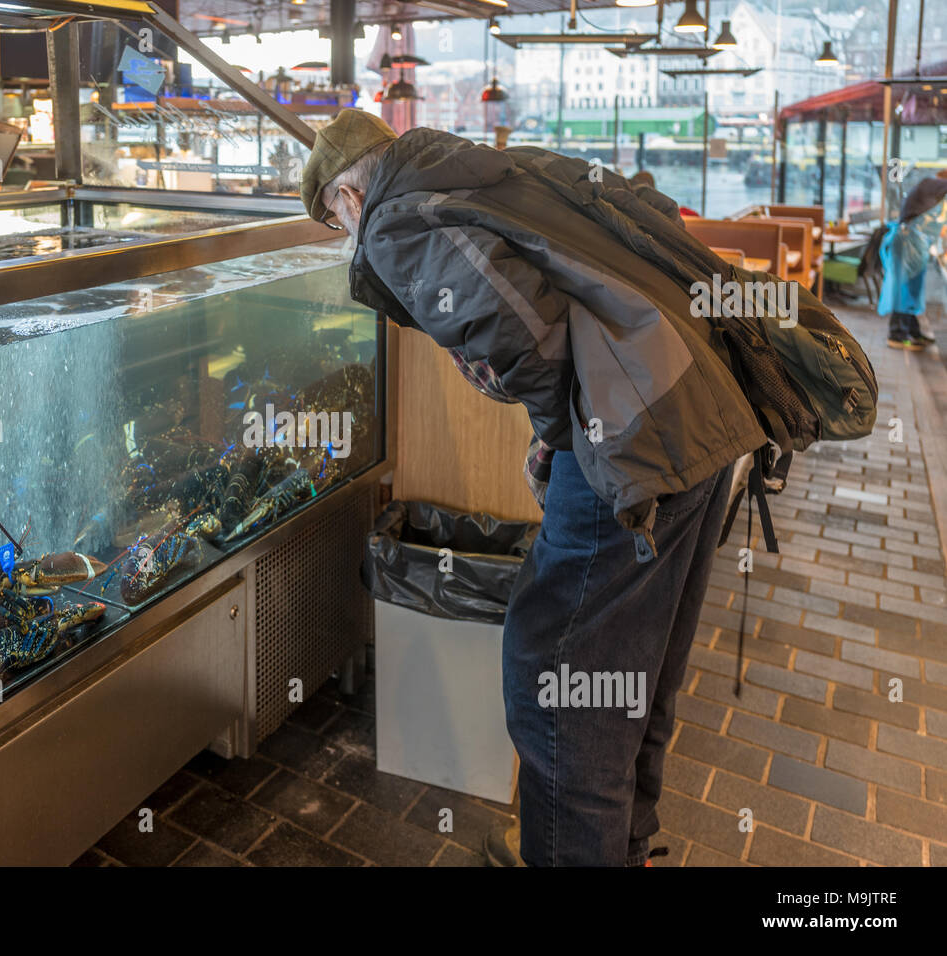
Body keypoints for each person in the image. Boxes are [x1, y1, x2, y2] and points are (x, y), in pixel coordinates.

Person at [303, 109, 764, 866]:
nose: (345, 239)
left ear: (347, 200)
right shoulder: (485, 169)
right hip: (700, 408)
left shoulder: (392, 220)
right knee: (635, 671)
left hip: (630, 435)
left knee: (558, 678)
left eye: (332, 224)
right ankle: (622, 846)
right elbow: (637, 222)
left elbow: (522, 333)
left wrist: (557, 438)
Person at [879, 169, 947, 350]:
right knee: (904, 290)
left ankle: (912, 332)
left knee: (911, 292)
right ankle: (897, 335)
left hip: (912, 242)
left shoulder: (929, 189)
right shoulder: (933, 184)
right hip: (907, 242)